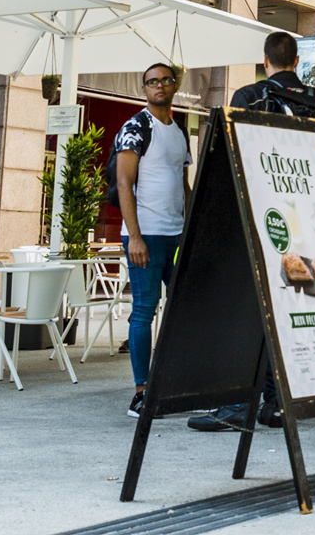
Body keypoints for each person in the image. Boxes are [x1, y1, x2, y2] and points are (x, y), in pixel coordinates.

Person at [191, 31, 315, 433]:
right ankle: (280, 403)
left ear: (266, 60)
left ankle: (239, 404)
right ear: (296, 61)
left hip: (264, 219)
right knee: (295, 308)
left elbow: (231, 160)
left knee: (249, 310)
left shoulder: (248, 96)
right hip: (312, 223)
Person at [115, 62, 188, 419]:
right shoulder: (135, 127)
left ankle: (179, 381)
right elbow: (124, 183)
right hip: (146, 235)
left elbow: (182, 183)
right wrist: (135, 237)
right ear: (144, 89)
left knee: (185, 310)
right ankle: (142, 392)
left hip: (177, 234)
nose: (159, 86)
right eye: (152, 82)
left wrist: (191, 226)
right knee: (144, 310)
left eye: (165, 80)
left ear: (175, 85)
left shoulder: (179, 130)